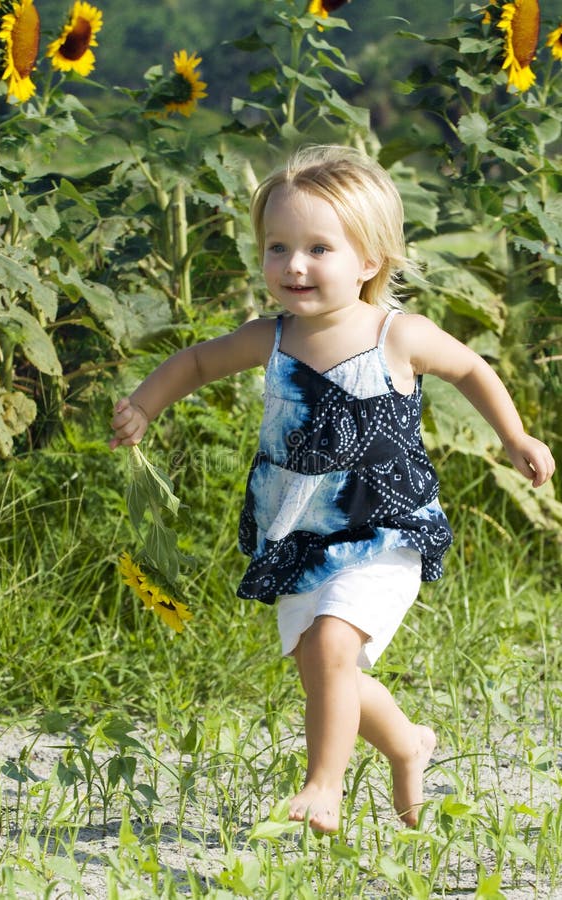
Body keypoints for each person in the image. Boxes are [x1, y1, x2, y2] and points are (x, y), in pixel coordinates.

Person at [109, 145, 555, 833]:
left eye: (320, 248)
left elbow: (470, 368)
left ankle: (324, 786)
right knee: (323, 669)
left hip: (385, 527)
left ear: (369, 260)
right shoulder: (273, 338)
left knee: (332, 647)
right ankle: (408, 743)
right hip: (300, 534)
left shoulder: (396, 335)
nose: (294, 265)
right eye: (277, 247)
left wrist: (514, 435)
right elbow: (196, 362)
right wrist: (144, 404)